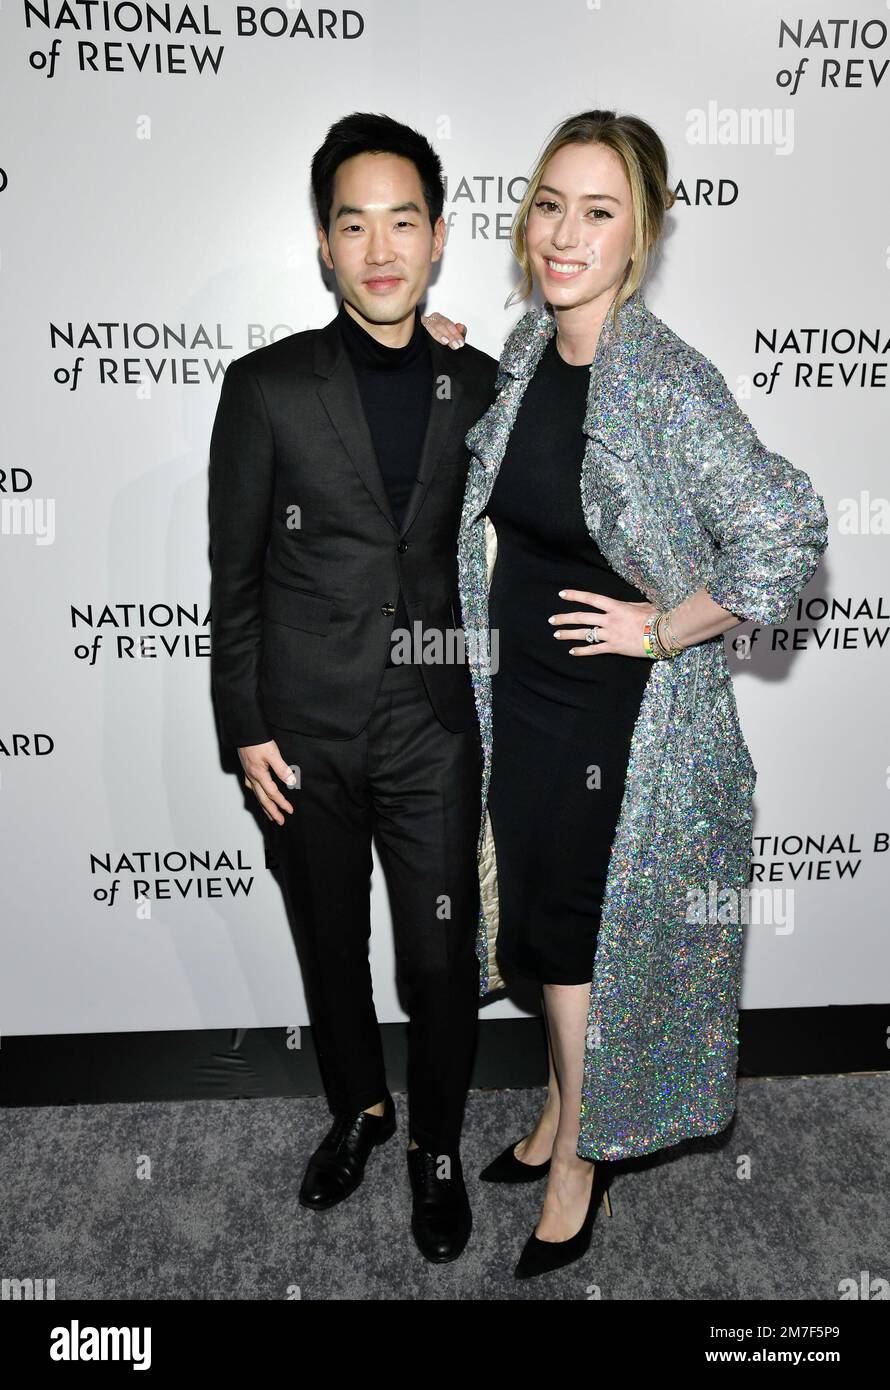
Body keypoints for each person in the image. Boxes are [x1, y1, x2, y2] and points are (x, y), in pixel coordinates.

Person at [427, 109, 829, 1279]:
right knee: (547, 931)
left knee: (568, 931)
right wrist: (446, 355)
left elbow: (784, 530)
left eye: (596, 211)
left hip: (613, 719)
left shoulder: (662, 380)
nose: (562, 231)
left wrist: (660, 626)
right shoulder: (519, 346)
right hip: (523, 704)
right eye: (549, 202)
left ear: (638, 235)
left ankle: (579, 1157)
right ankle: (564, 1107)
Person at [208, 112, 497, 1263]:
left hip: (431, 723)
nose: (380, 248)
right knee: (328, 948)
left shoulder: (483, 385)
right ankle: (358, 1109)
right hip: (304, 733)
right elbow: (232, 578)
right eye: (353, 223)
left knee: (435, 960)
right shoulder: (265, 386)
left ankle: (434, 1146)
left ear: (436, 240)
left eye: (404, 221)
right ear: (324, 246)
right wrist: (244, 725)